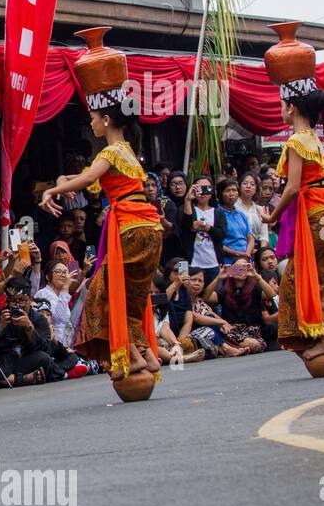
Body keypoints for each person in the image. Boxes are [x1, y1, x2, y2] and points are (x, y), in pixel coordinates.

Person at [39, 28, 163, 384]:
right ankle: (144, 354)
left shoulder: (111, 151)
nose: (90, 122)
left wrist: (52, 190)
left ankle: (136, 356)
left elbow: (83, 180)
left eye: (93, 116)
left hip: (130, 228)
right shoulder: (129, 153)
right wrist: (62, 183)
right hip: (147, 228)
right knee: (129, 298)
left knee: (107, 294)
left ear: (106, 119)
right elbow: (86, 180)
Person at [259, 25, 324, 368]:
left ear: (292, 106)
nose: (280, 108)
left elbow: (293, 187)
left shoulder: (296, 141)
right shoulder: (315, 138)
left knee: (301, 275)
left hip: (316, 212)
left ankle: (322, 336)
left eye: (282, 103)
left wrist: (273, 216)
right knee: (319, 273)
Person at [180, 174, 224, 287]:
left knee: (214, 296)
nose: (203, 192)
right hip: (190, 262)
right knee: (187, 294)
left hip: (213, 263)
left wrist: (205, 226)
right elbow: (186, 226)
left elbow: (221, 235)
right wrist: (188, 200)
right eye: (199, 188)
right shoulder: (186, 207)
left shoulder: (218, 212)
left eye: (207, 188)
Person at [216, 177, 255, 265]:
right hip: (228, 261)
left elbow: (250, 238)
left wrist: (247, 254)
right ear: (220, 194)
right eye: (227, 191)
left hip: (246, 259)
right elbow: (215, 243)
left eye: (234, 190)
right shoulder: (216, 214)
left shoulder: (241, 214)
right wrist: (236, 253)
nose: (232, 193)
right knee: (238, 276)